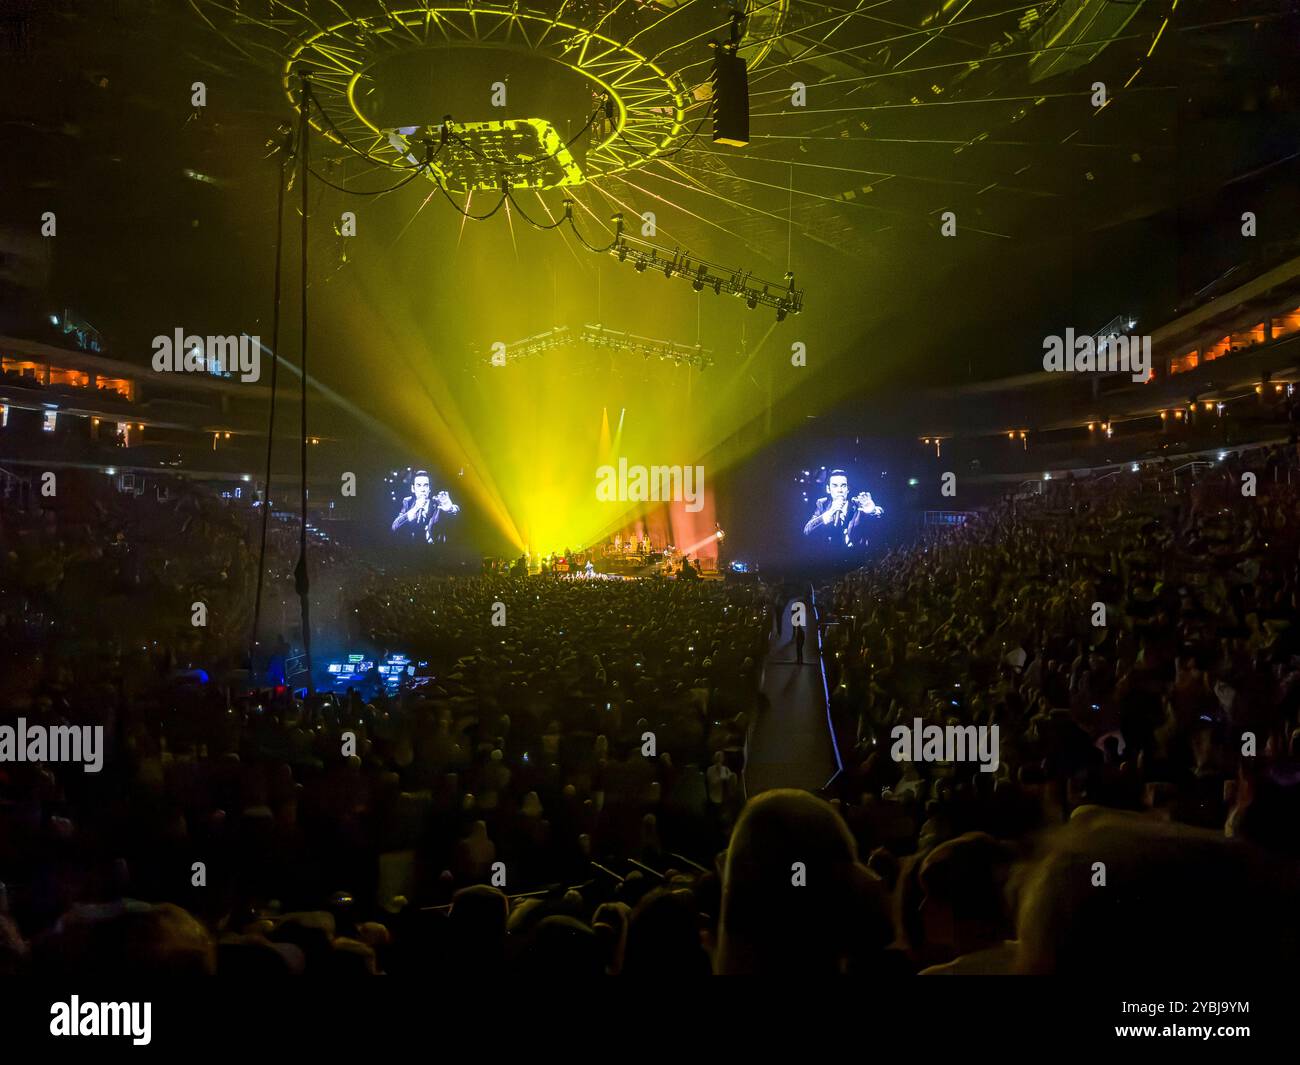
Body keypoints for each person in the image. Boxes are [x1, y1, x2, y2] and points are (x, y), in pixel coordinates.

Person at [802, 470, 882, 547]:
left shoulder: (856, 504)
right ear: (828, 489)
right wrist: (830, 512)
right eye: (835, 486)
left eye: (843, 486)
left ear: (848, 489)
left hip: (856, 556)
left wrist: (872, 510)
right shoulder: (822, 504)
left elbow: (879, 514)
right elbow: (807, 530)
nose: (839, 490)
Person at [391, 470, 459, 543]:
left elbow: (456, 511)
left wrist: (450, 508)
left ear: (429, 489)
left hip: (435, 550)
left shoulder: (437, 503)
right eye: (418, 485)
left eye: (425, 485)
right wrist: (415, 509)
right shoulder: (408, 502)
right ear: (413, 489)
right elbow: (395, 526)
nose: (422, 490)